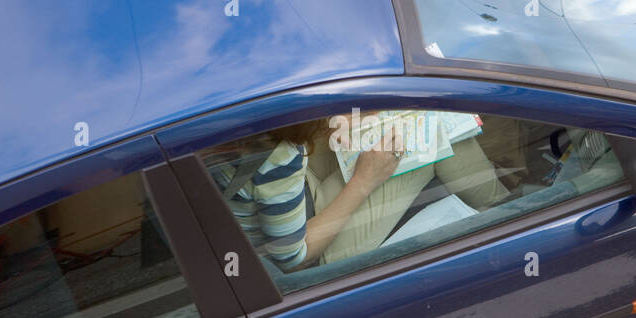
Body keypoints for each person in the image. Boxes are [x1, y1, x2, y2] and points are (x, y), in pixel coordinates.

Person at [216, 112, 508, 271]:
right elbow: (293, 256)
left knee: (404, 117)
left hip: (296, 194)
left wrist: (346, 117)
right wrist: (365, 179)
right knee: (434, 135)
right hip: (309, 246)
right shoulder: (277, 157)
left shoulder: (243, 124)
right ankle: (510, 214)